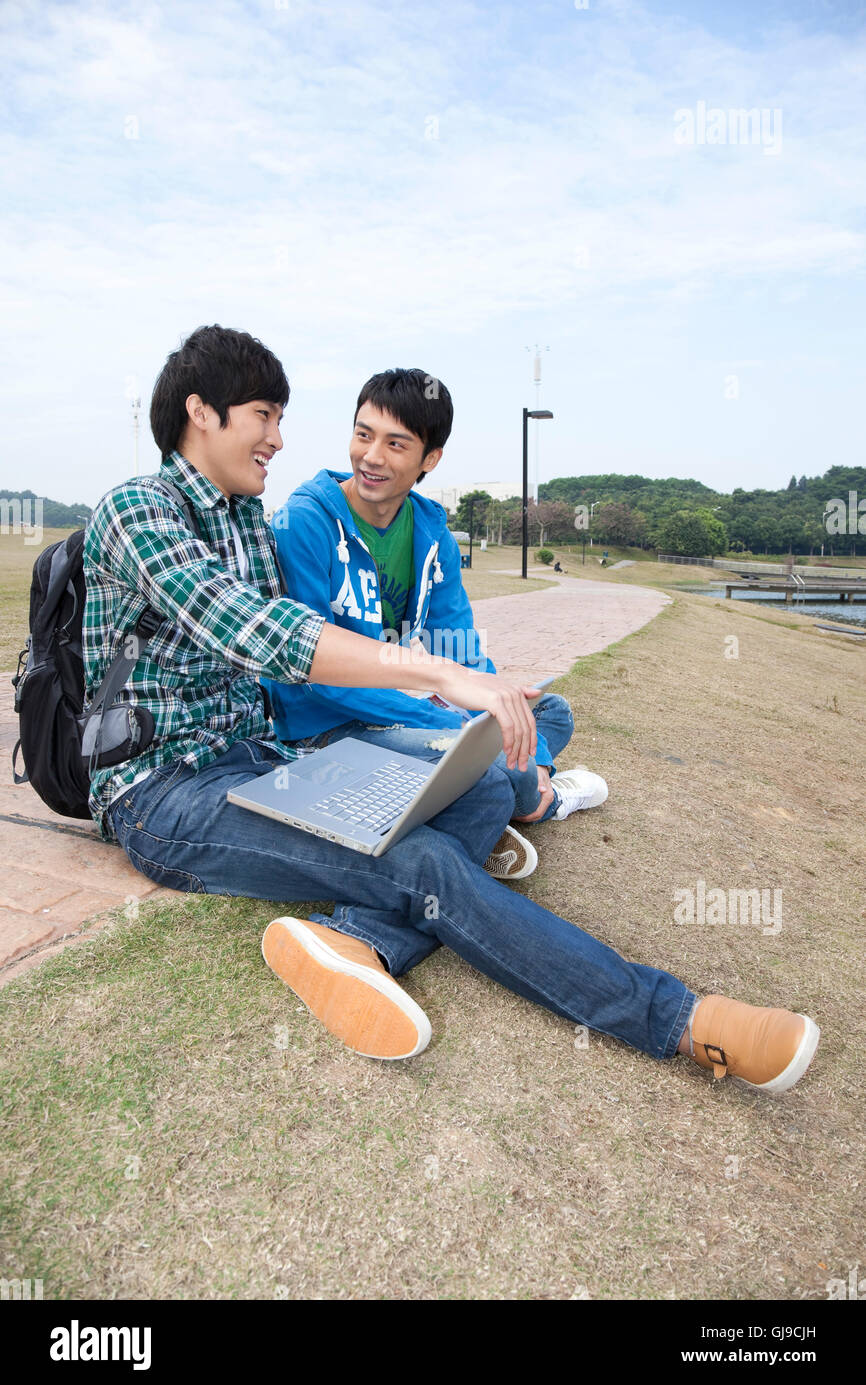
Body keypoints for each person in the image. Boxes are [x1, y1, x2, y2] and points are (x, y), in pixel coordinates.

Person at [82, 324, 820, 1093]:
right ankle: (681, 1021)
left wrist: (469, 691)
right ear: (203, 413)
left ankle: (355, 943)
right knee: (421, 857)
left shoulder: (241, 518)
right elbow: (265, 634)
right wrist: (440, 677)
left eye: (280, 418)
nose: (278, 437)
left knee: (477, 790)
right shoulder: (139, 510)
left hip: (262, 763)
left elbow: (396, 638)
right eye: (265, 415)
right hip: (161, 795)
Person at [262, 368, 607, 883]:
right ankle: (538, 801)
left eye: (396, 443)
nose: (372, 456)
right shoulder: (306, 521)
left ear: (430, 459)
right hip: (328, 722)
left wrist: (513, 733)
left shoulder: (432, 534)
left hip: (409, 701)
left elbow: (461, 647)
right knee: (480, 757)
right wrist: (456, 725)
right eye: (363, 434)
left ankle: (522, 788)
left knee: (546, 711)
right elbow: (311, 668)